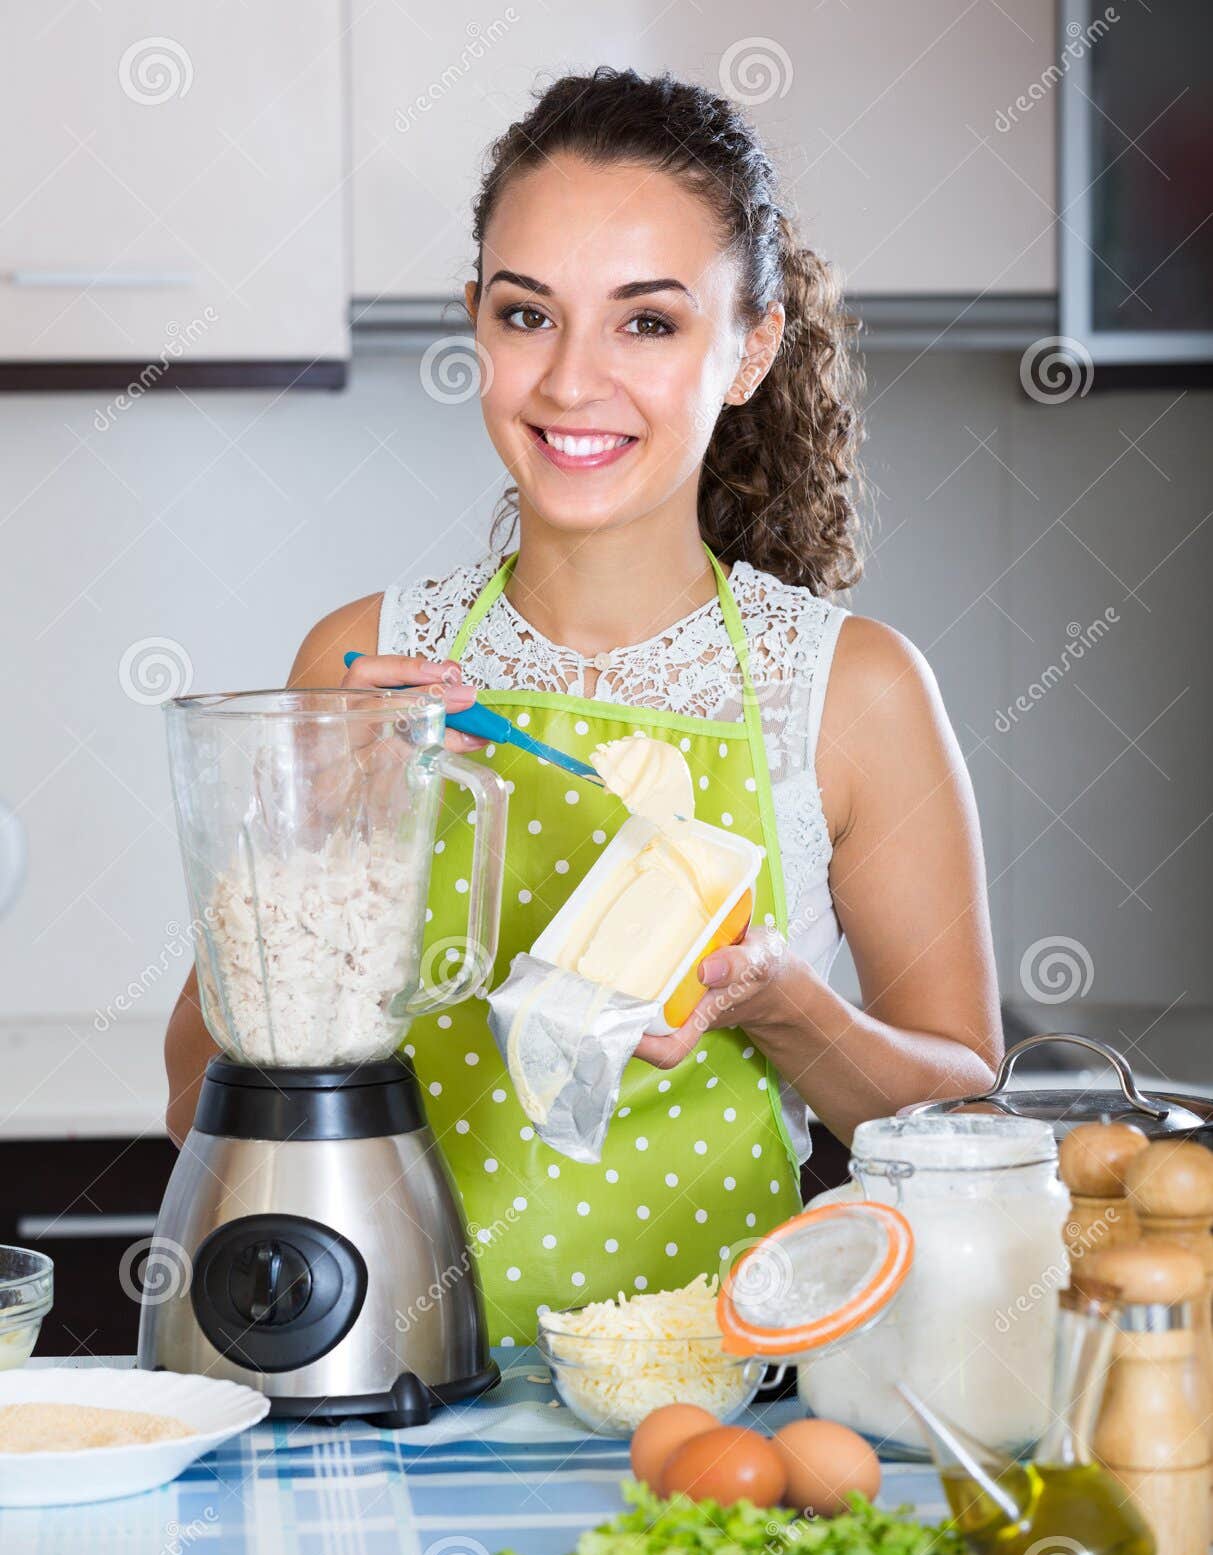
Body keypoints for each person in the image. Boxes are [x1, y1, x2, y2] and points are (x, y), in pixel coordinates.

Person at [165, 68, 1000, 1344]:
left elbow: (962, 1127)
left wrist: (794, 1012)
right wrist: (301, 854)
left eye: (647, 323)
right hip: (383, 1373)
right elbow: (193, 1106)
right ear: (476, 328)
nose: (570, 381)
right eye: (527, 314)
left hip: (708, 1407)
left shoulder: (850, 689)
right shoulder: (363, 659)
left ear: (750, 349)